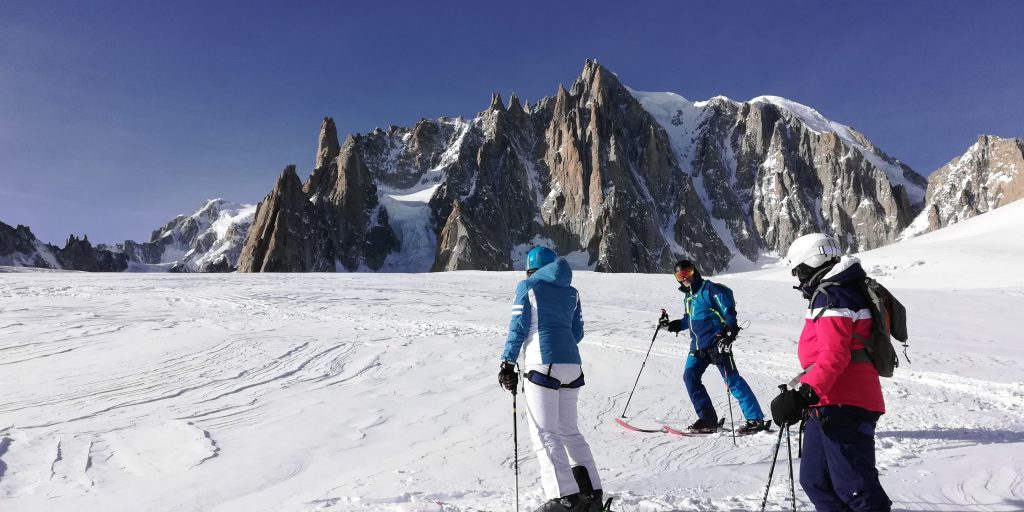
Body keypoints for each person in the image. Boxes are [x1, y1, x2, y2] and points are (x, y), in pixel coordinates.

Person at [770, 233, 892, 511]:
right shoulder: (841, 290)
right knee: (817, 481)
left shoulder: (833, 295)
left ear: (811, 264)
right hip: (827, 401)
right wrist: (808, 393)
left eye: (799, 271)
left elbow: (835, 354)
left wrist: (804, 394)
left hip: (845, 402)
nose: (799, 280)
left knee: (855, 488)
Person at [498, 246, 603, 512]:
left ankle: (563, 499)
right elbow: (576, 333)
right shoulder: (572, 292)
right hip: (572, 366)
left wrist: (508, 363)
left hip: (543, 365)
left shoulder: (527, 287)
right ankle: (591, 496)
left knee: (545, 434)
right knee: (570, 431)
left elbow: (517, 328)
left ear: (531, 268)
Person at [661, 259, 769, 434]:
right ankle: (708, 419)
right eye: (679, 275)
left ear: (694, 271)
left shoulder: (709, 289)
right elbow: (687, 320)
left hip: (717, 344)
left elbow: (728, 311)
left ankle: (755, 419)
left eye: (686, 272)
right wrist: (670, 326)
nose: (684, 277)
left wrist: (730, 332)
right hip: (697, 347)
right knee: (690, 377)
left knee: (732, 381)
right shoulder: (688, 297)